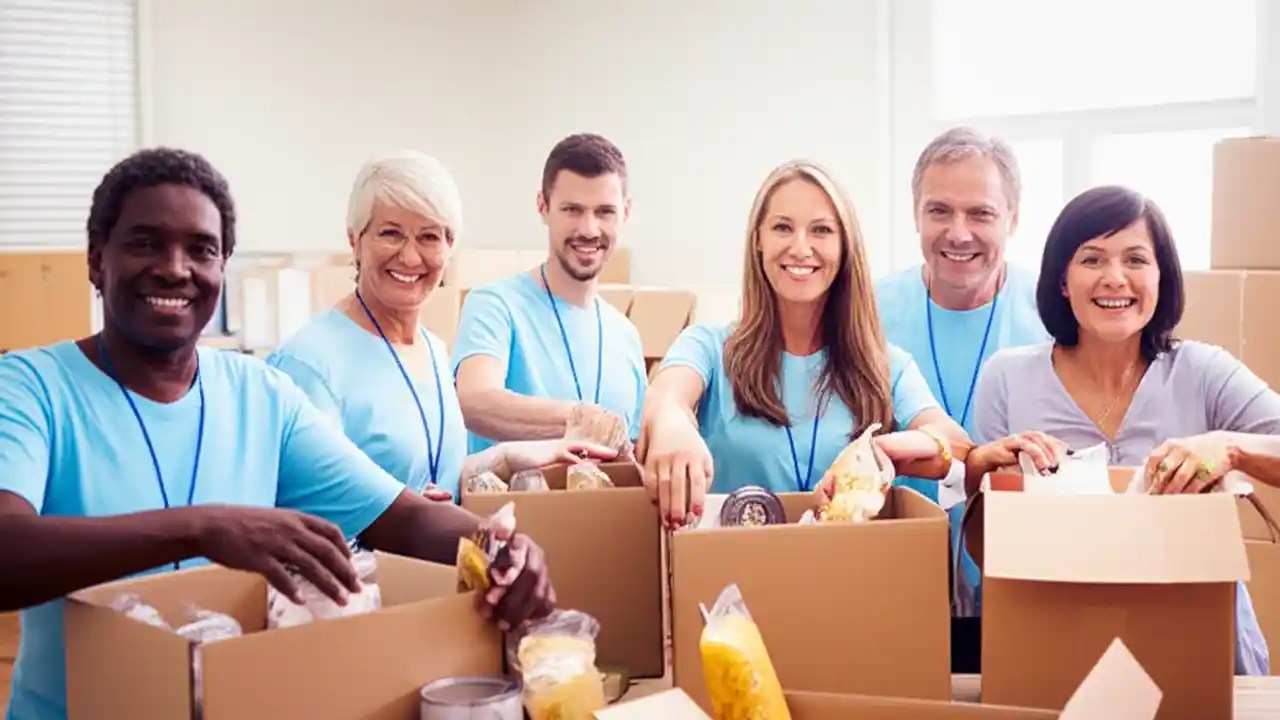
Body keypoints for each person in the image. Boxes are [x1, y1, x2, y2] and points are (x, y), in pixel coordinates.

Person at [0, 148, 555, 720]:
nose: (175, 268)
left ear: (222, 267)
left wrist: (497, 546)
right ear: (97, 260)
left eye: (201, 250)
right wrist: (200, 529)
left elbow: (402, 516)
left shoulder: (260, 395)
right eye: (145, 243)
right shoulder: (31, 387)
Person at [965, 184, 1279, 674]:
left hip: (1205, 651)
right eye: (1092, 259)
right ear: (1062, 280)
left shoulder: (1203, 371)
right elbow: (986, 541)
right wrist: (977, 472)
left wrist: (1231, 448)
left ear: (1161, 277)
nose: (1114, 278)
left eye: (1136, 259)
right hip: (1059, 649)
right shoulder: (1006, 377)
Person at [637, 159, 971, 528]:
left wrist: (880, 449)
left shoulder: (887, 365)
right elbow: (665, 396)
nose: (800, 248)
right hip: (733, 564)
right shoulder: (708, 347)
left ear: (845, 246)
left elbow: (954, 442)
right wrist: (672, 422)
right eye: (782, 227)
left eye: (821, 230)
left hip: (848, 563)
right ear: (758, 240)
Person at [268, 151, 618, 501]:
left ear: (449, 246)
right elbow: (308, 506)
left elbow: (434, 481)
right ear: (355, 241)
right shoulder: (309, 363)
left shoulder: (431, 350)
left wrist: (504, 458)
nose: (410, 257)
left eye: (429, 237)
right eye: (390, 234)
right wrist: (413, 518)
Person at [873, 127, 1050, 670]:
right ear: (915, 214)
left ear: (1013, 219)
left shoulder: (1056, 314)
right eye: (939, 211)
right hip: (892, 590)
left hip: (1023, 589)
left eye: (980, 214)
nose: (958, 233)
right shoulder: (866, 312)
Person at [452, 133, 647, 455]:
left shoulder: (625, 335)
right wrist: (587, 422)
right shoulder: (495, 305)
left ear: (625, 213)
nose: (589, 229)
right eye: (572, 210)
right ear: (543, 207)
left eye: (604, 212)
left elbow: (636, 448)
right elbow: (474, 401)